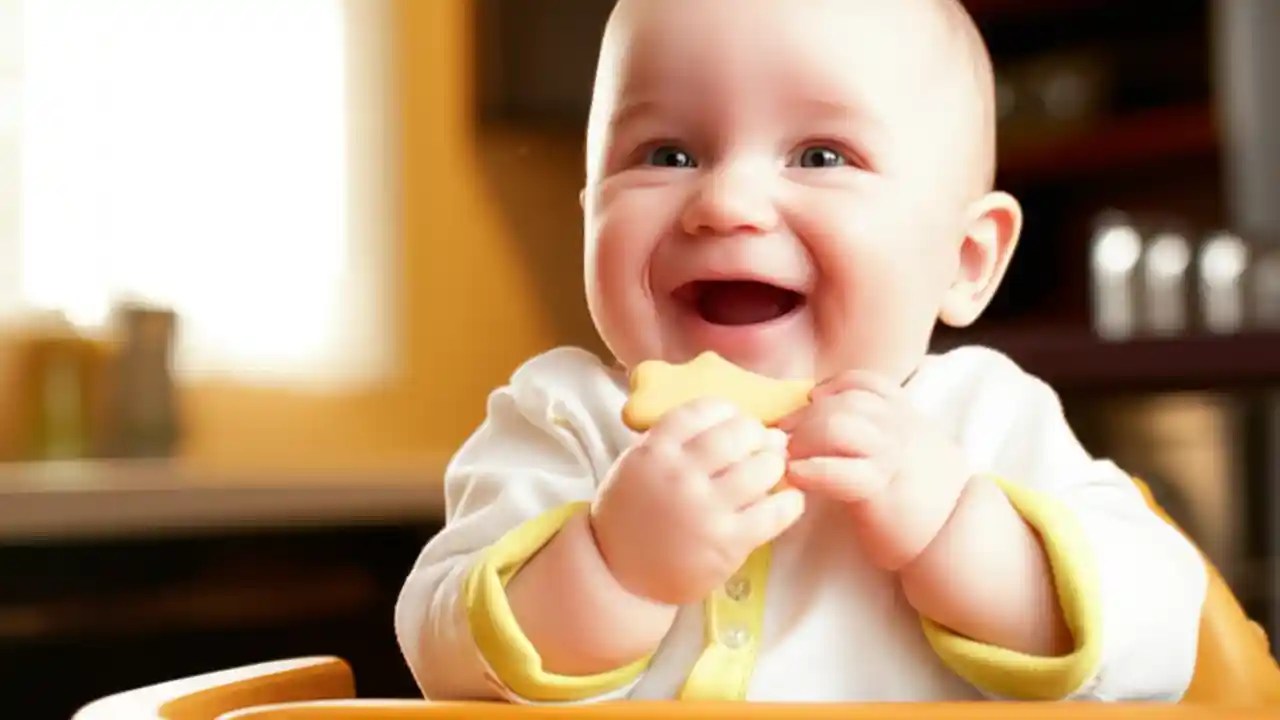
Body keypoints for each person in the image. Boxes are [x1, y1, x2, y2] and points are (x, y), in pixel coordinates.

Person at [395, 0, 1206, 703]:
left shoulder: (985, 418)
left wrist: (960, 532)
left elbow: (1163, 633)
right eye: (666, 154)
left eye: (822, 156)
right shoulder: (566, 418)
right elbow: (441, 650)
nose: (725, 202)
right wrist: (613, 567)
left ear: (965, 260)